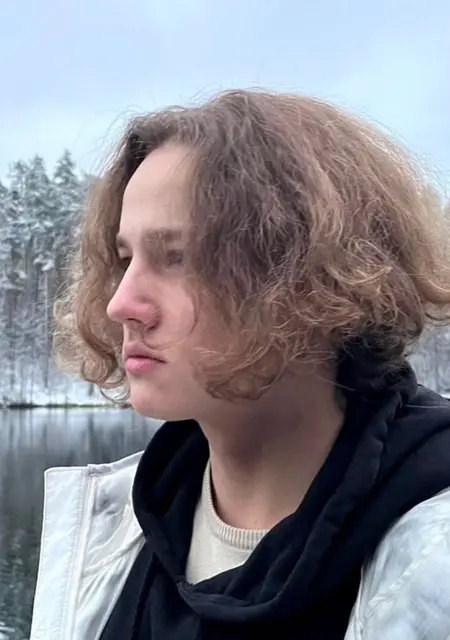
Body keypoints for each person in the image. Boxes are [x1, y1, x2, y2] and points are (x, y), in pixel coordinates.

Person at [30, 89, 450, 640]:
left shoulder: (433, 559)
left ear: (321, 277)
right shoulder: (104, 531)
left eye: (177, 257)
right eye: (125, 259)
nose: (120, 304)